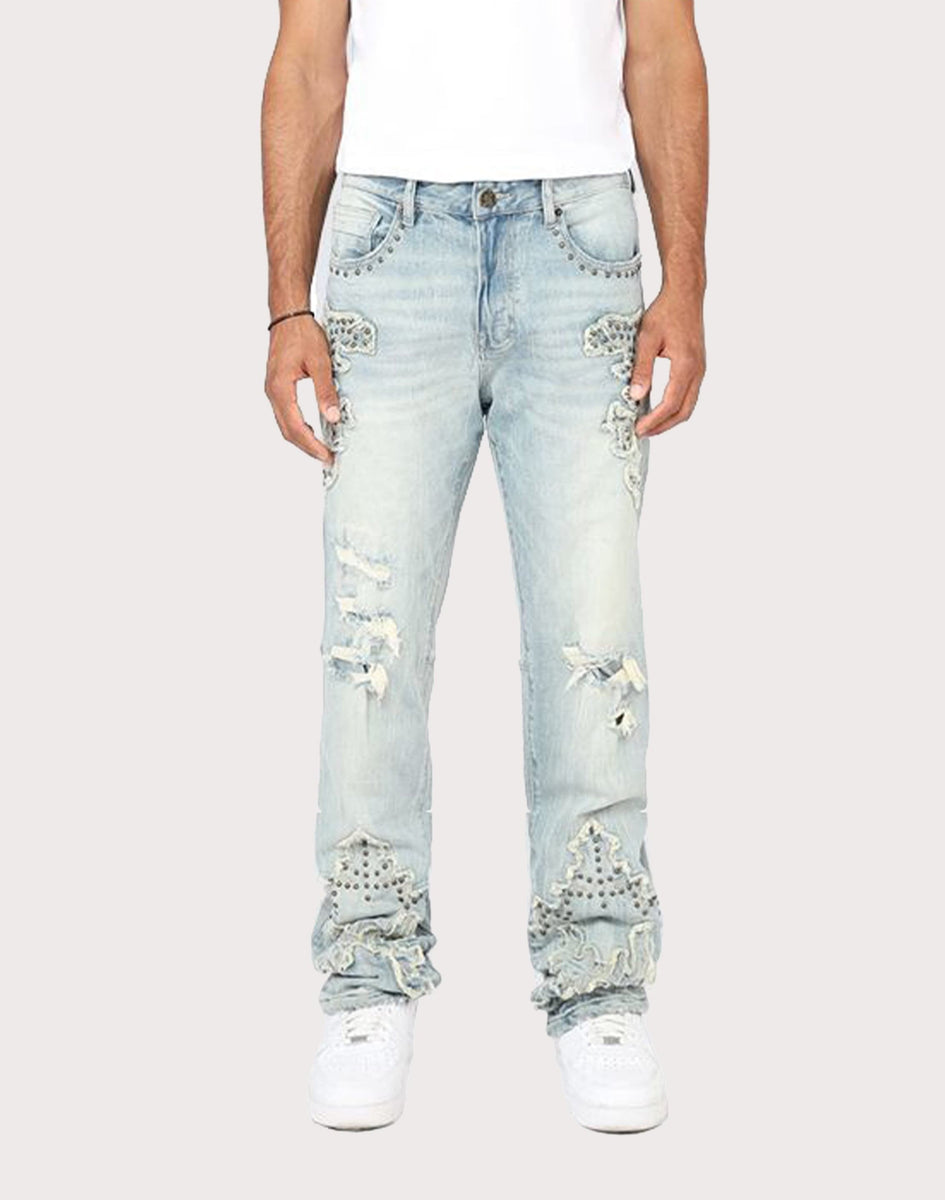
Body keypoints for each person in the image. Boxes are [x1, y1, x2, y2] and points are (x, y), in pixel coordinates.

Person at [261, 0, 707, 1132]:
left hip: (581, 241)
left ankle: (600, 985)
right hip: (389, 239)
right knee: (370, 641)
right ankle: (367, 979)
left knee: (593, 638)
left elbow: (662, 43)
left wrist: (686, 283)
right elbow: (307, 57)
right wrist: (285, 306)